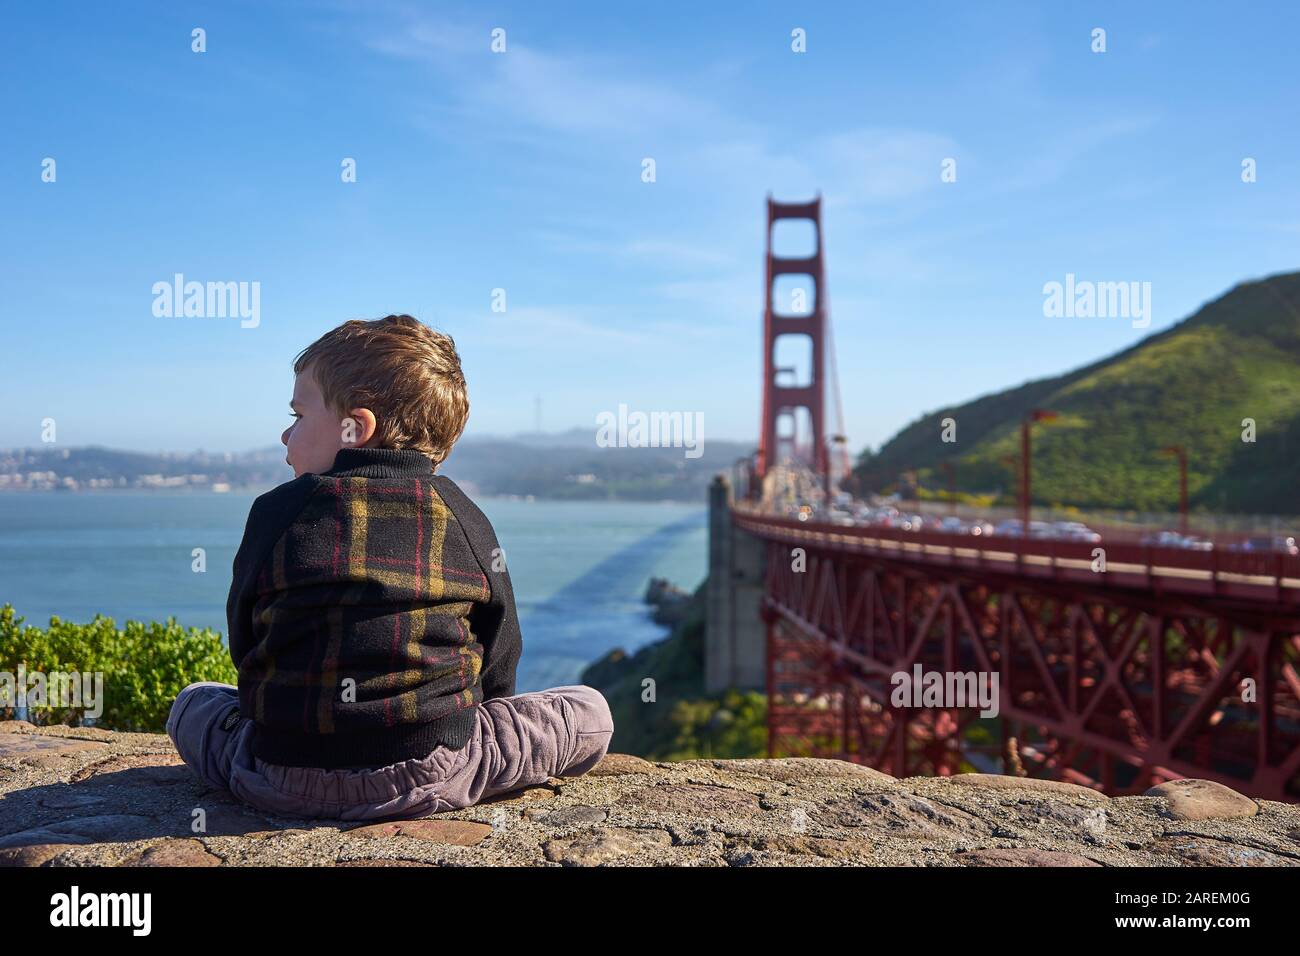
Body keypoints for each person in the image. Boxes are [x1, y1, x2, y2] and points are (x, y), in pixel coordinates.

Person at [166, 314, 613, 821]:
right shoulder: (464, 516)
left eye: (298, 416)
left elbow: (245, 643)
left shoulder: (275, 511)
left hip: (277, 774)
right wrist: (480, 716)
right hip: (436, 771)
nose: (285, 435)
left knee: (194, 702)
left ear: (356, 427)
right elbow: (501, 650)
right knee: (590, 710)